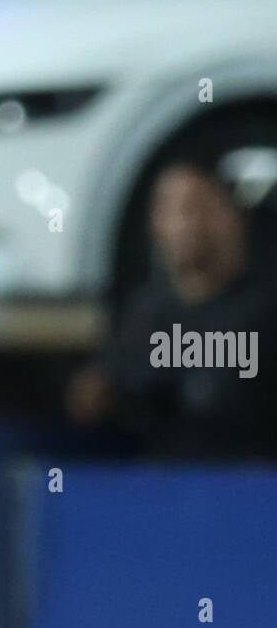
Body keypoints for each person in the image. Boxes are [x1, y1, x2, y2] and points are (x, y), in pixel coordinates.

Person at [66, 162, 277, 458]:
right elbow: (98, 395)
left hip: (249, 477)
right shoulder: (146, 313)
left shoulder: (264, 310)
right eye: (169, 210)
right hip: (163, 477)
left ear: (231, 217)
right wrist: (96, 392)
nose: (184, 224)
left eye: (196, 207)